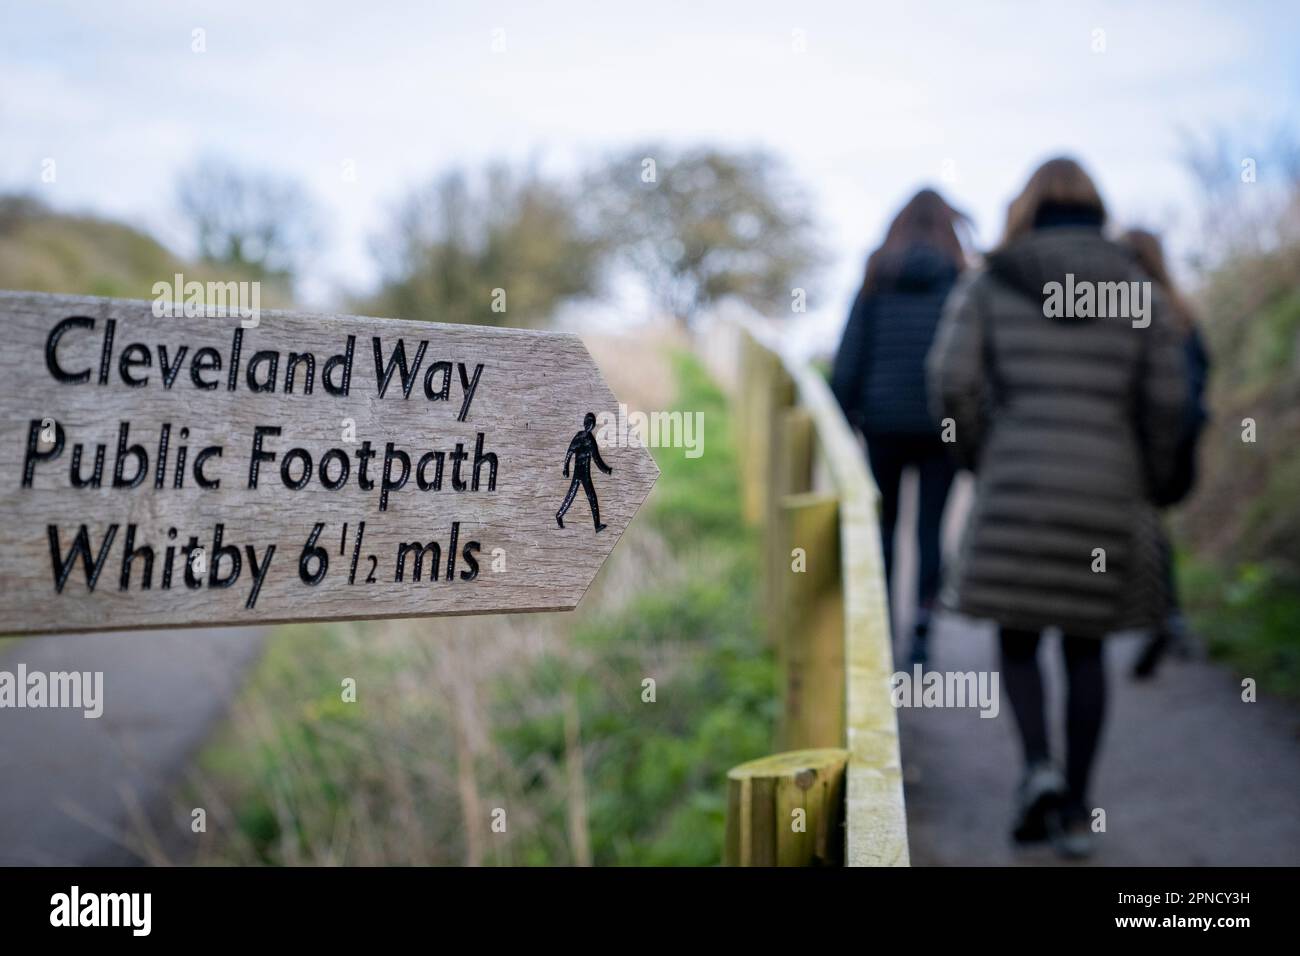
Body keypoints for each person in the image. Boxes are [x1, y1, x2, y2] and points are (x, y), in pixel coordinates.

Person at [927, 158, 1187, 859]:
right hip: (1107, 483)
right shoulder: (1137, 286)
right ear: (1096, 207)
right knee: (1086, 644)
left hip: (1017, 479)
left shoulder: (991, 280)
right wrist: (1150, 478)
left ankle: (1036, 766)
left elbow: (951, 381)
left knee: (1017, 636)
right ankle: (1075, 810)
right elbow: (1168, 399)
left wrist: (984, 456)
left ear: (1028, 207)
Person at [831, 188, 968, 666]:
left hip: (883, 423)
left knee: (885, 526)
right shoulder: (958, 274)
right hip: (940, 426)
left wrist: (843, 413)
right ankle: (924, 623)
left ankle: (883, 630)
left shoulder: (877, 271)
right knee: (932, 529)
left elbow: (852, 349)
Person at [1119, 229, 1211, 679]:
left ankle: (1151, 613)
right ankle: (1167, 614)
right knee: (1154, 526)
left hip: (1137, 438)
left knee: (1136, 529)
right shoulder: (1181, 310)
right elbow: (1201, 375)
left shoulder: (1123, 306)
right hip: (1178, 438)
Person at [556, 411, 612, 532]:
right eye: (588, 423)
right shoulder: (582, 437)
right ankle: (559, 515)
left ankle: (596, 525)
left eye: (590, 423)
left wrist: (606, 470)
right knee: (575, 497)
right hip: (580, 474)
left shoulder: (586, 439)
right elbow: (571, 452)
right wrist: (565, 468)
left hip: (583, 474)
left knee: (587, 497)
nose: (589, 425)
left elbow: (596, 459)